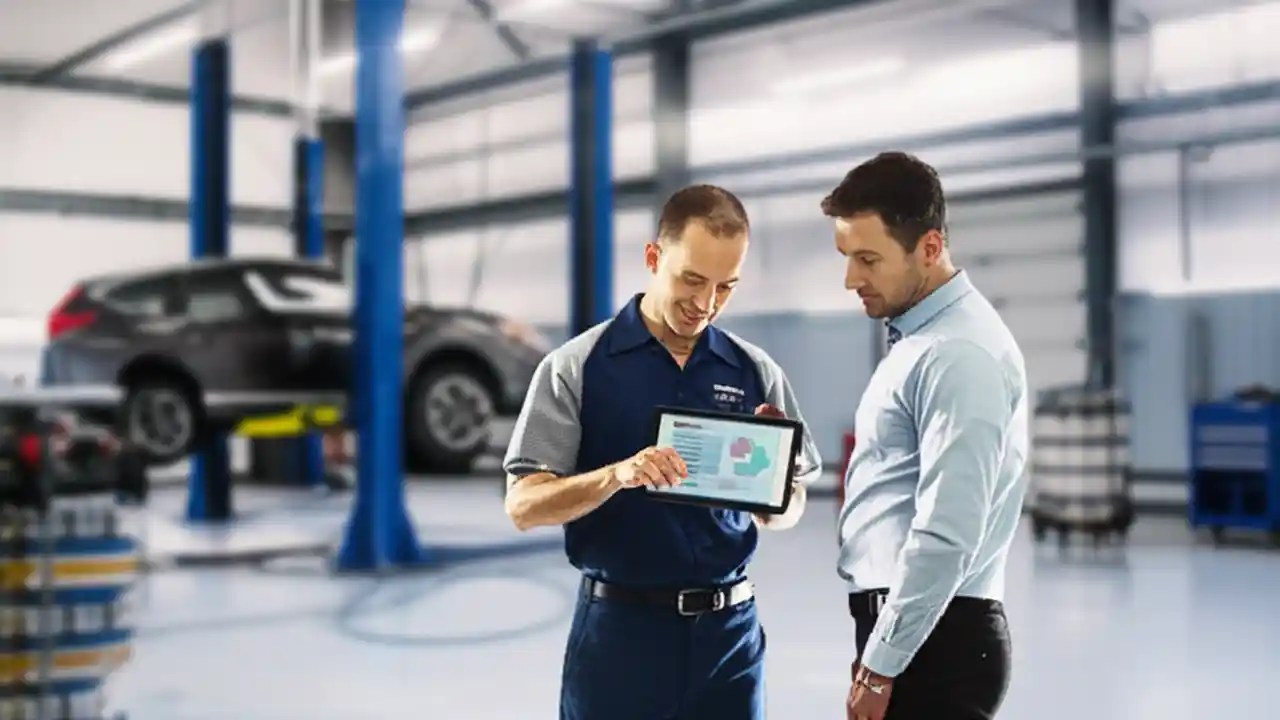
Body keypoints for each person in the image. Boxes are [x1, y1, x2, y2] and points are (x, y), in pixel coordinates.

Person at [502, 184, 822, 720]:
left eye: (726, 287)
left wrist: (774, 497)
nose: (705, 304)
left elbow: (792, 506)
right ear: (654, 258)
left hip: (729, 641)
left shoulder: (755, 372)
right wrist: (615, 477)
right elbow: (523, 506)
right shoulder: (576, 368)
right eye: (691, 280)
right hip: (619, 638)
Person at [821, 152, 1029, 720]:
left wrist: (884, 661)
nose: (850, 279)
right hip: (918, 628)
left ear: (930, 248)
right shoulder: (921, 338)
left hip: (938, 642)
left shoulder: (956, 354)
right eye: (846, 257)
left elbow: (948, 530)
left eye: (868, 259)